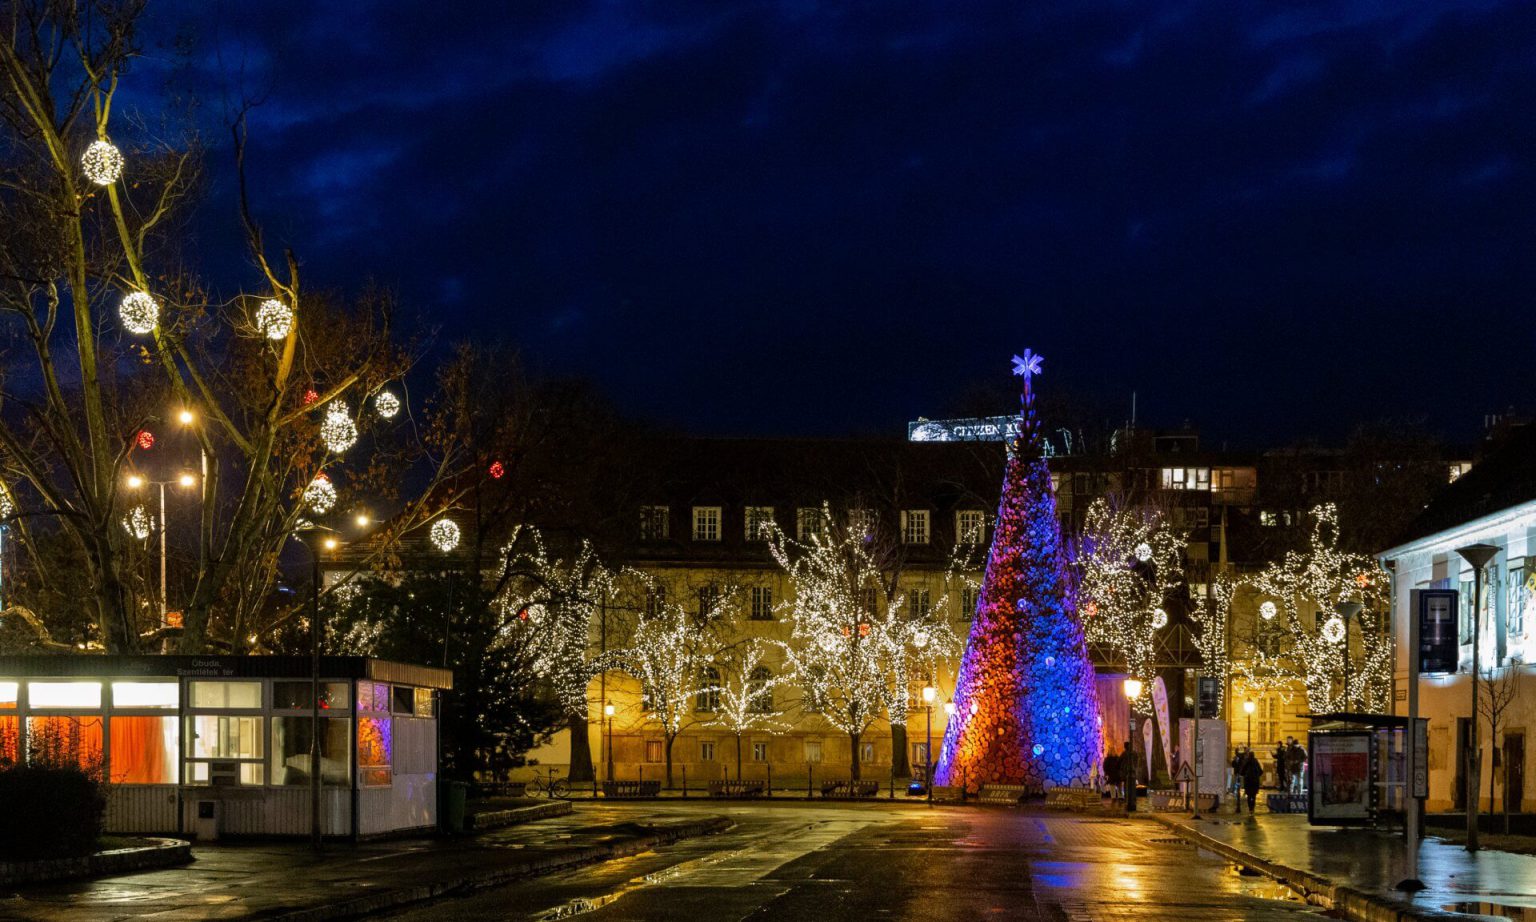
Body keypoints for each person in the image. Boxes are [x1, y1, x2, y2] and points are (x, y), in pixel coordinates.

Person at [1241, 748, 1263, 814]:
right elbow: (1261, 771)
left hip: (1248, 781)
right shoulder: (1256, 762)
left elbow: (1242, 772)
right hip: (1255, 782)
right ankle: (1252, 808)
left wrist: (1245, 774)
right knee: (1253, 796)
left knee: (1249, 796)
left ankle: (1250, 808)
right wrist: (1256, 776)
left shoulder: (1246, 761)